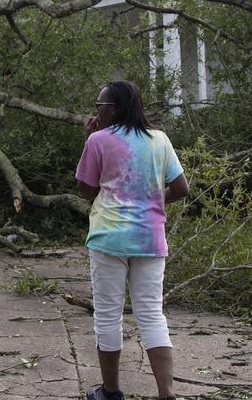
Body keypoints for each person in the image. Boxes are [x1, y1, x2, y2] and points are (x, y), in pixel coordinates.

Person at [74, 81, 190, 400]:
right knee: (152, 314)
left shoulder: (98, 140)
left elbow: (86, 191)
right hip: (150, 239)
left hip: (109, 238)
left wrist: (89, 141)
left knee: (108, 314)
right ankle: (166, 394)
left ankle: (110, 392)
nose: (96, 112)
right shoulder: (160, 140)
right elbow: (181, 188)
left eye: (100, 106)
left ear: (113, 109)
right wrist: (153, 204)